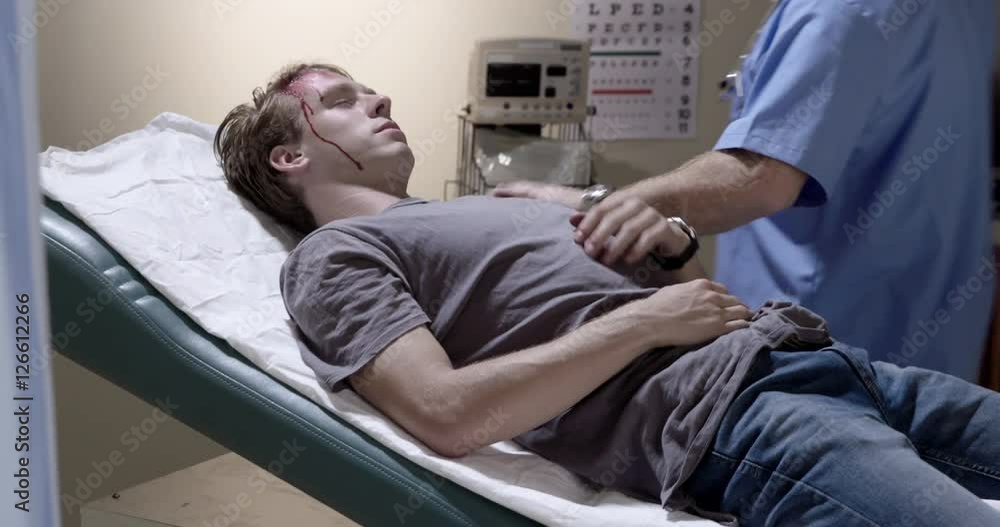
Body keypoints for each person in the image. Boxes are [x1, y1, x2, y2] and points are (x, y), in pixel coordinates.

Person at [213, 63, 1000, 526]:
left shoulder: (487, 205)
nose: (381, 101)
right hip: (743, 423)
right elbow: (445, 413)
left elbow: (701, 308)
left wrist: (670, 248)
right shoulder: (334, 256)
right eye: (343, 101)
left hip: (831, 366)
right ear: (289, 157)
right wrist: (644, 323)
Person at [494, 0, 998, 383]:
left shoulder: (837, 13)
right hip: (935, 347)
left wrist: (594, 205)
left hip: (823, 354)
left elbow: (759, 178)